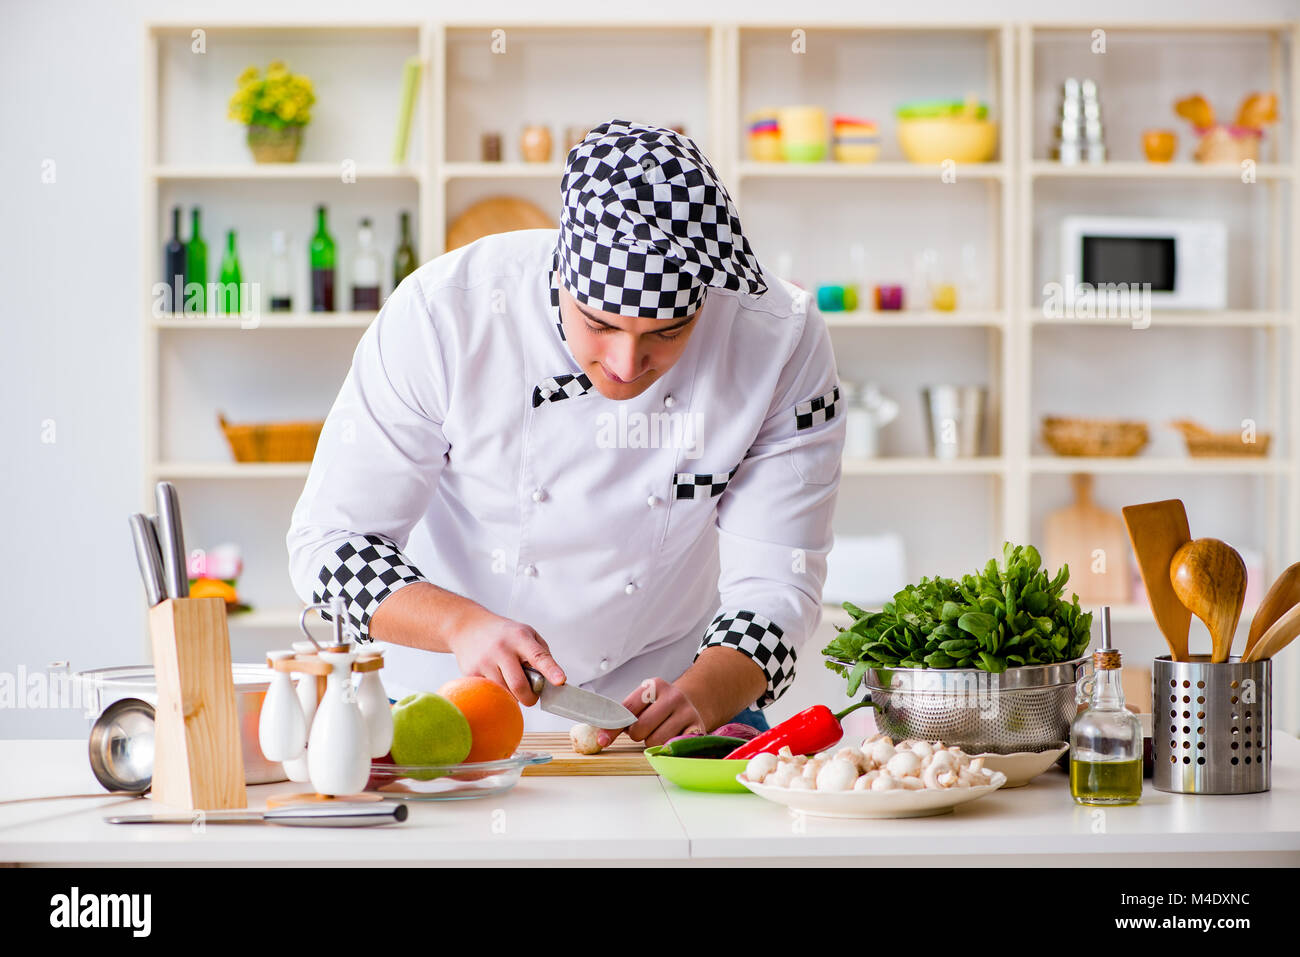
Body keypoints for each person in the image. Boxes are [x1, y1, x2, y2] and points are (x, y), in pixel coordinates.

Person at [287, 119, 844, 747]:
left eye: (667, 333)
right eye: (599, 324)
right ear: (562, 272)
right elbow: (329, 544)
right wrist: (461, 626)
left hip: (676, 703)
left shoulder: (780, 340)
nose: (626, 366)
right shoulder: (444, 314)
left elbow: (779, 581)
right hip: (444, 703)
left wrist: (702, 693)